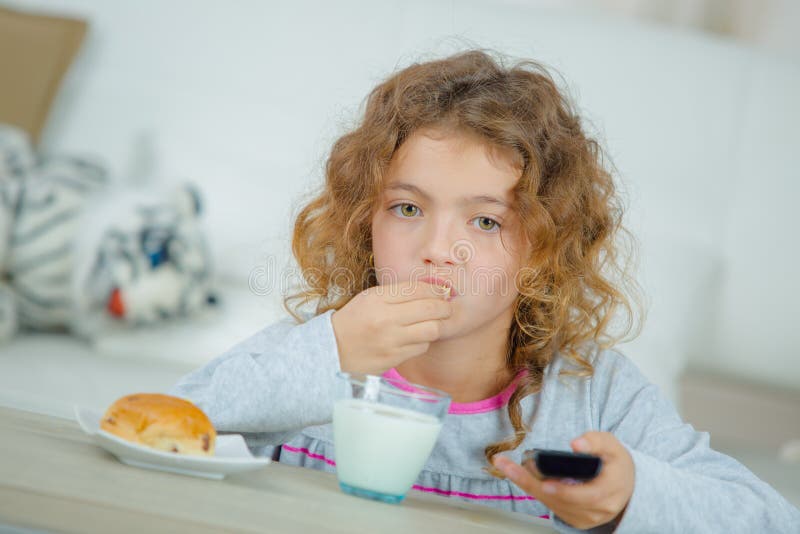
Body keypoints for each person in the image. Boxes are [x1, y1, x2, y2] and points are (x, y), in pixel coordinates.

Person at [168, 48, 800, 532]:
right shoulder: (316, 352)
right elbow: (164, 427)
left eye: (487, 220)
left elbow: (768, 518)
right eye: (408, 209)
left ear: (546, 248)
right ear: (366, 221)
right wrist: (327, 353)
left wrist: (630, 498)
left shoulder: (595, 395)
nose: (440, 249)